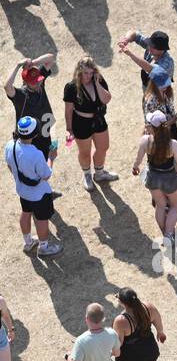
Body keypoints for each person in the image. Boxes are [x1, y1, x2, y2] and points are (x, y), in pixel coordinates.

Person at [5, 116, 62, 256]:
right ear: (35, 134)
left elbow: (9, 166)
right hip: (39, 194)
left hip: (22, 192)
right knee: (42, 220)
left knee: (26, 213)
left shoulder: (9, 145)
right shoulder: (35, 154)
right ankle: (44, 247)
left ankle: (28, 242)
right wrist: (51, 158)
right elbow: (46, 175)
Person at [132, 110, 177, 249]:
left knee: (160, 205)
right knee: (175, 206)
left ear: (151, 127)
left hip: (153, 178)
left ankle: (165, 232)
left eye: (148, 123)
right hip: (170, 179)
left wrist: (135, 167)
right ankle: (169, 234)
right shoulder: (172, 144)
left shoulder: (145, 140)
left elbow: (138, 160)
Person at [63, 58, 116, 193]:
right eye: (86, 73)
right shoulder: (71, 87)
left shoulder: (98, 80)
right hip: (80, 123)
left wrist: (97, 83)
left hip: (98, 120)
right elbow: (68, 109)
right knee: (85, 153)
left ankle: (99, 173)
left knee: (103, 147)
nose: (89, 76)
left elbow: (107, 99)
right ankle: (87, 175)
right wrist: (69, 129)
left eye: (91, 73)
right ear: (79, 71)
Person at [6, 56, 59, 185]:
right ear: (25, 82)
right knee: (31, 168)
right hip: (29, 138)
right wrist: (18, 65)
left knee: (44, 163)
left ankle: (45, 189)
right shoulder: (20, 95)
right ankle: (37, 189)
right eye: (34, 82)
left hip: (44, 134)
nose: (38, 83)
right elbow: (7, 86)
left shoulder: (40, 82)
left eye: (39, 80)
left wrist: (33, 63)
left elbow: (51, 58)